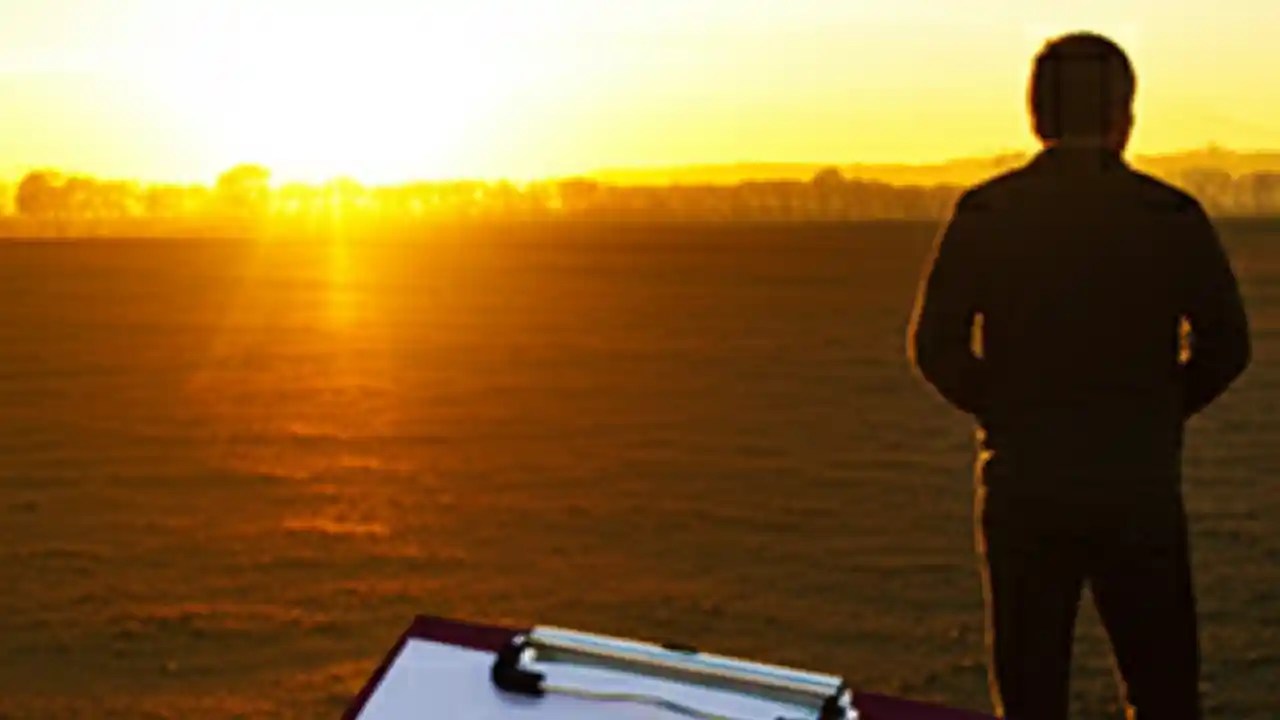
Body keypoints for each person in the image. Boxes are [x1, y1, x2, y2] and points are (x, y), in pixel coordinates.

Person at [907, 32, 1251, 720]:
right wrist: (1158, 411)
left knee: (1031, 690)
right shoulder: (1169, 215)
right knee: (1163, 688)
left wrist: (1006, 413)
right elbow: (1228, 345)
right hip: (1137, 483)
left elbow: (935, 346)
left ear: (1036, 115)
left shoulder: (989, 212)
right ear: (1126, 114)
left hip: (1025, 483)